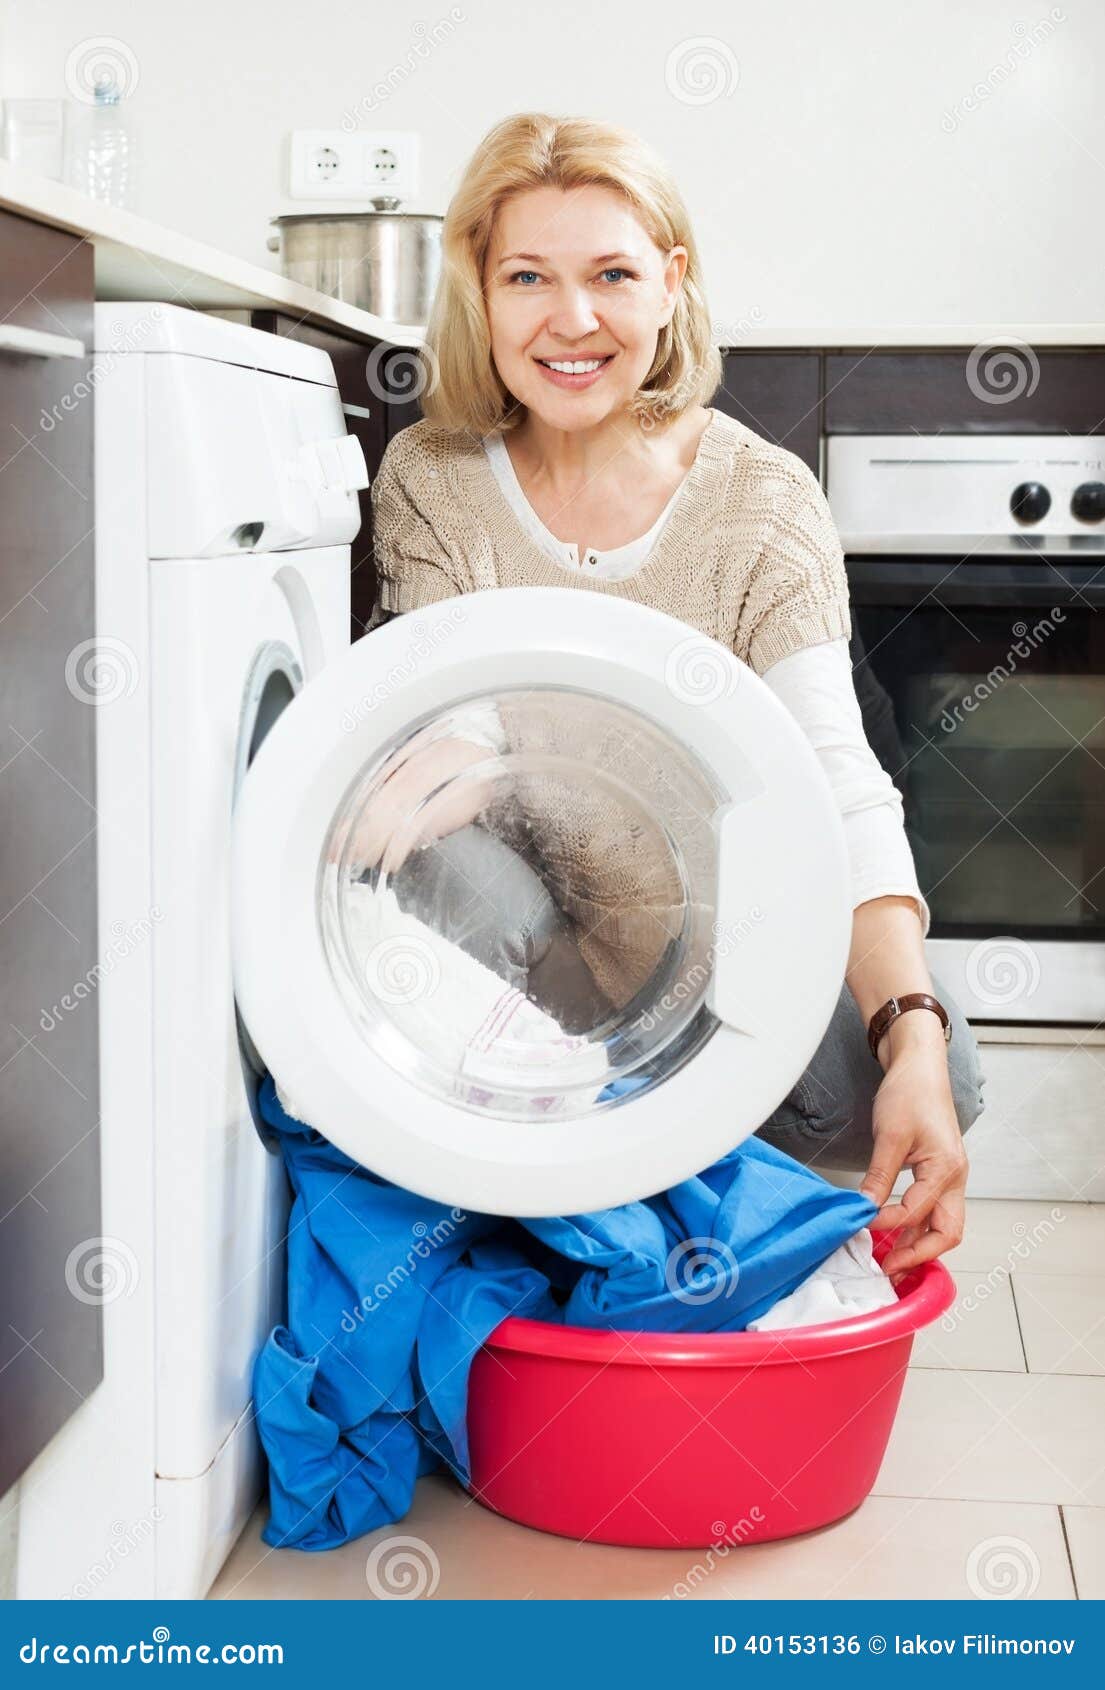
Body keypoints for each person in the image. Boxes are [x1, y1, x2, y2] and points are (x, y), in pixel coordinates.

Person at [358, 111, 984, 1274]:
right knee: (443, 868)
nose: (572, 319)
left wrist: (912, 1039)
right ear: (480, 295)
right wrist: (432, 756)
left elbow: (836, 776)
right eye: (527, 277)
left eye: (611, 274)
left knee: (918, 1064)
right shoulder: (431, 482)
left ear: (669, 285)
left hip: (721, 950)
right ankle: (540, 1194)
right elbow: (445, 727)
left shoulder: (760, 499)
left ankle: (683, 1179)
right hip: (547, 962)